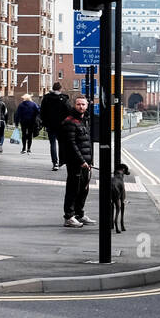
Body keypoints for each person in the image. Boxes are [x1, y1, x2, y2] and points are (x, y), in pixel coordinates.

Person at [59, 95, 96, 227]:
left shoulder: (84, 120)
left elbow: (87, 143)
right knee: (73, 189)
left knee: (83, 189)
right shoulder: (70, 121)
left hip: (86, 162)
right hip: (76, 162)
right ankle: (68, 217)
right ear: (74, 105)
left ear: (87, 106)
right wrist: (81, 160)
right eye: (78, 104)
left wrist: (90, 161)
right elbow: (71, 144)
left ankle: (79, 214)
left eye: (83, 104)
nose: (81, 107)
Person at [39, 82, 71, 171]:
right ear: (60, 89)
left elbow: (42, 112)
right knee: (61, 143)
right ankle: (61, 160)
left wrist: (45, 123)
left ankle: (55, 162)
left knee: (52, 143)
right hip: (61, 126)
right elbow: (69, 111)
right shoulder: (63, 99)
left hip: (50, 125)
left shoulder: (46, 98)